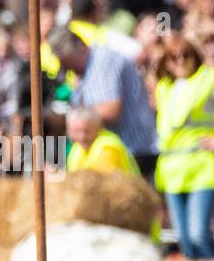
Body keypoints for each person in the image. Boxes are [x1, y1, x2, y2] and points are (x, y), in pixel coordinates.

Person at [48, 25, 157, 175]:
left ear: (81, 47)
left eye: (68, 61)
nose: (66, 67)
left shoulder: (102, 61)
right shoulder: (82, 71)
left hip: (135, 152)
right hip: (110, 153)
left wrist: (69, 118)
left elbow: (110, 109)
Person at [153, 35, 214, 260]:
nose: (179, 61)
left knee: (199, 234)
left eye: (185, 55)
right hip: (172, 170)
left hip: (202, 167)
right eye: (173, 57)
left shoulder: (209, 79)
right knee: (185, 239)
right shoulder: (164, 88)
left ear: (195, 57)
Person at [64, 107, 140, 178]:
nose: (82, 137)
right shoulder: (76, 147)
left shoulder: (108, 147)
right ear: (68, 130)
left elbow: (98, 184)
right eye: (76, 131)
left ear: (99, 128)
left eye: (87, 131)